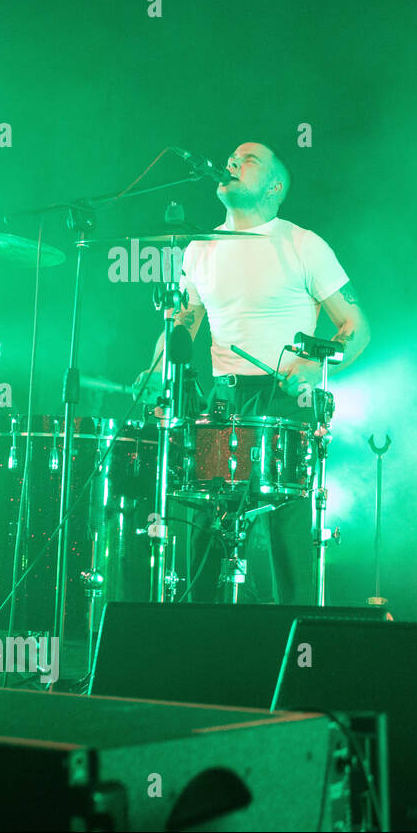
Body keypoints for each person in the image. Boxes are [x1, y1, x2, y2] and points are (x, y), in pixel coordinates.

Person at [137, 141, 370, 604]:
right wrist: (154, 367)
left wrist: (309, 366)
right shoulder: (200, 247)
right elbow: (185, 322)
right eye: (231, 158)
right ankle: (200, 650)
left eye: (249, 160)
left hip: (285, 400)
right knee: (205, 527)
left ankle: (298, 653)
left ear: (275, 186)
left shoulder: (303, 244)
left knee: (288, 535)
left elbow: (357, 328)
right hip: (224, 399)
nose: (232, 163)